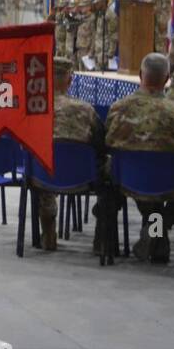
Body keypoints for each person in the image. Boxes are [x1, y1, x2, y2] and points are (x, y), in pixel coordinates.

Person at [105, 52, 174, 263]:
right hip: (171, 182)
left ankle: (149, 233)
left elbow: (106, 144)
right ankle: (158, 229)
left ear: (140, 75)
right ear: (167, 79)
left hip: (127, 181)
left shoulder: (118, 108)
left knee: (126, 178)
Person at [33, 58, 104, 251]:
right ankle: (102, 240)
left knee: (41, 163)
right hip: (82, 178)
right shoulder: (85, 110)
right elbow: (101, 143)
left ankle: (48, 231)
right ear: (70, 80)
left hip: (43, 176)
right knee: (109, 173)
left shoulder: (34, 109)